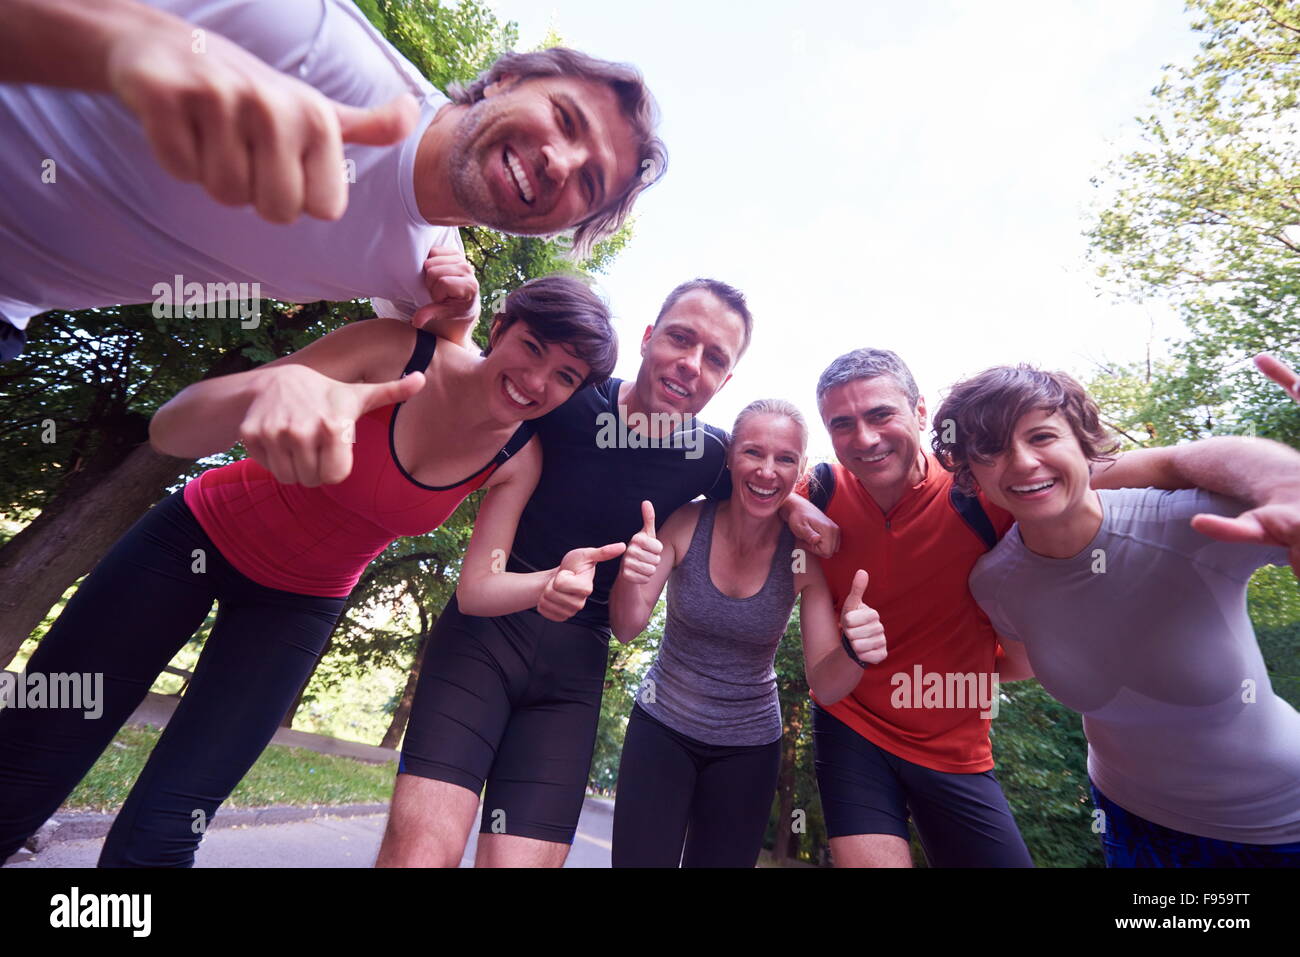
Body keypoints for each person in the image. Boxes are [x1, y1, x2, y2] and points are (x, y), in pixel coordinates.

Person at [0, 274, 618, 867]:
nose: (535, 379)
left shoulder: (518, 457)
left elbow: (480, 587)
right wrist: (269, 397)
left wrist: (545, 584)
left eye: (564, 375)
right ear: (502, 326)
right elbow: (175, 427)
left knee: (168, 828)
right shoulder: (398, 351)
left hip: (297, 606)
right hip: (192, 539)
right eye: (531, 346)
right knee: (27, 764)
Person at [376, 279, 838, 868]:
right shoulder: (567, 397)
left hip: (573, 672)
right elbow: (473, 378)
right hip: (484, 637)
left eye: (715, 358)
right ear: (647, 339)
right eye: (680, 338)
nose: (691, 364)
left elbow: (764, 486)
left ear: (725, 381)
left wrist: (799, 505)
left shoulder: (708, 456)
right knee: (422, 852)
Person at [802, 347, 1300, 868]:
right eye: (842, 424)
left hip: (1273, 819)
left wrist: (1282, 479)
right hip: (1124, 818)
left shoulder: (1006, 490)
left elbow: (1175, 461)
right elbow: (750, 484)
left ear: (919, 411)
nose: (864, 437)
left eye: (881, 413)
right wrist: (793, 504)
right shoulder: (826, 492)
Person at [0, 0, 667, 360]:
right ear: (505, 79)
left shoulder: (424, 268)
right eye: (565, 118)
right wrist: (127, 47)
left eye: (589, 184)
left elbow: (439, 352)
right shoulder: (310, 36)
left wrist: (461, 317)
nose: (561, 163)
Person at [607, 399, 886, 868]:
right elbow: (627, 626)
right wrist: (631, 573)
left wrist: (855, 652)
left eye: (785, 459)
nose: (766, 471)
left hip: (749, 747)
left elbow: (825, 681)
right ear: (731, 456)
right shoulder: (686, 523)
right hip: (662, 725)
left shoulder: (801, 557)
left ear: (799, 471)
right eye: (754, 453)